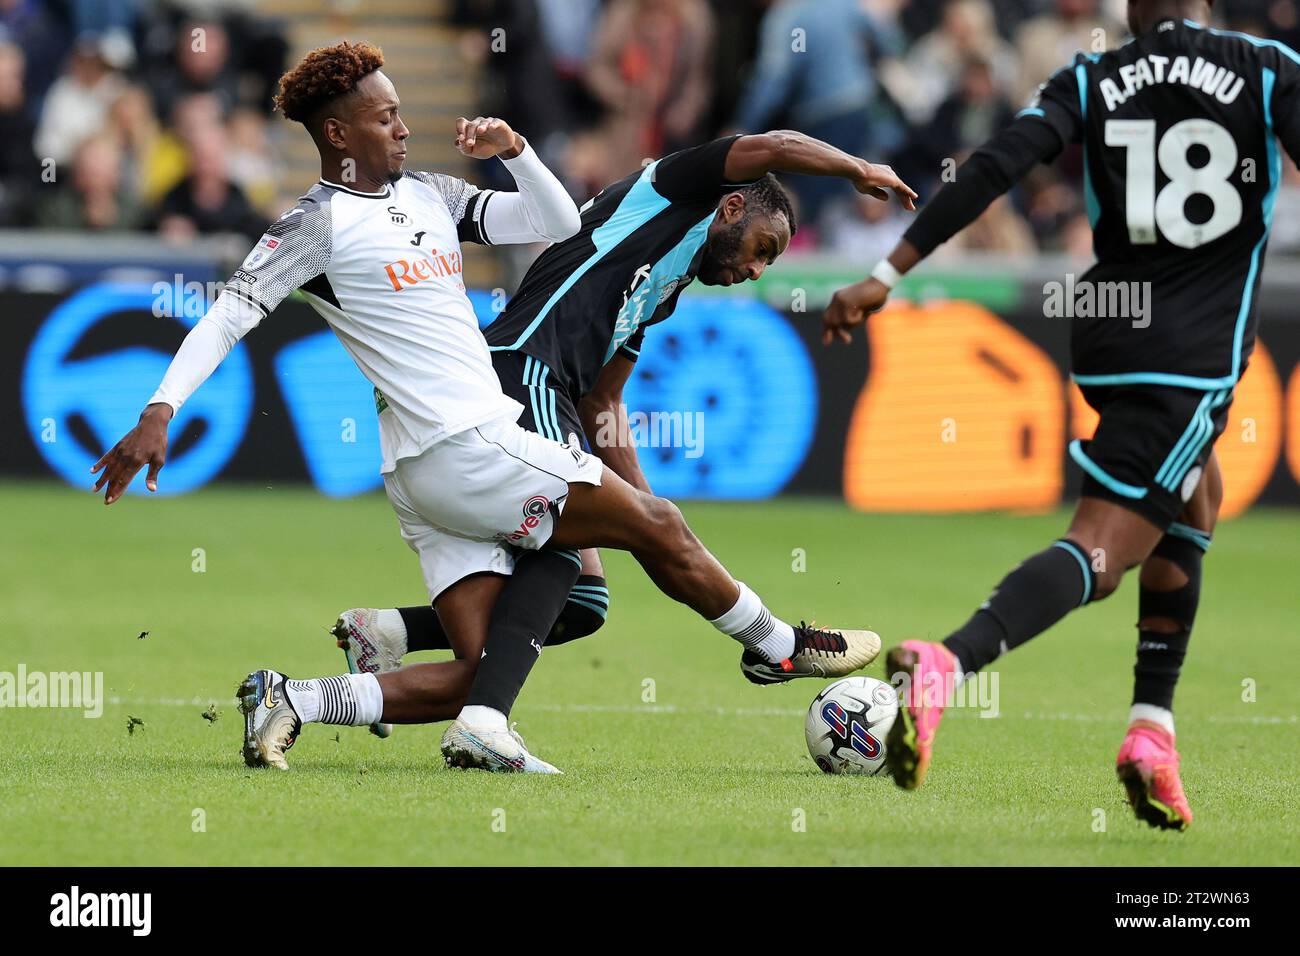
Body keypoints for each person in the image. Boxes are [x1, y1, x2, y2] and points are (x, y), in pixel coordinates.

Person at [91, 42, 885, 775]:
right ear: (337, 132)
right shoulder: (315, 225)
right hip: (467, 439)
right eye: (385, 116)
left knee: (487, 663)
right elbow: (232, 310)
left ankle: (290, 698)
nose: (404, 128)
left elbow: (554, 223)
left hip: (426, 471)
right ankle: (777, 647)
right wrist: (161, 409)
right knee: (637, 536)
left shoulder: (431, 195)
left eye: (403, 111)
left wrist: (518, 153)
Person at [821, 1, 1293, 831]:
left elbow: (991, 167)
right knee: (1105, 549)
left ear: (1135, 9)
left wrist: (885, 275)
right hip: (1194, 351)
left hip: (1109, 334)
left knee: (1196, 492)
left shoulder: (1094, 73)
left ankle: (1153, 732)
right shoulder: (1264, 68)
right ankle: (949, 663)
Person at [331, 130, 918, 744]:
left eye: (769, 264)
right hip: (520, 370)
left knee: (584, 602)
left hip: (554, 395)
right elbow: (769, 145)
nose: (755, 270)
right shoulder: (669, 193)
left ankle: (390, 634)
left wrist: (648, 515)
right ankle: (776, 645)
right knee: (563, 533)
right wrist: (856, 165)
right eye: (763, 249)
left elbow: (603, 402)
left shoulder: (663, 286)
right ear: (733, 207)